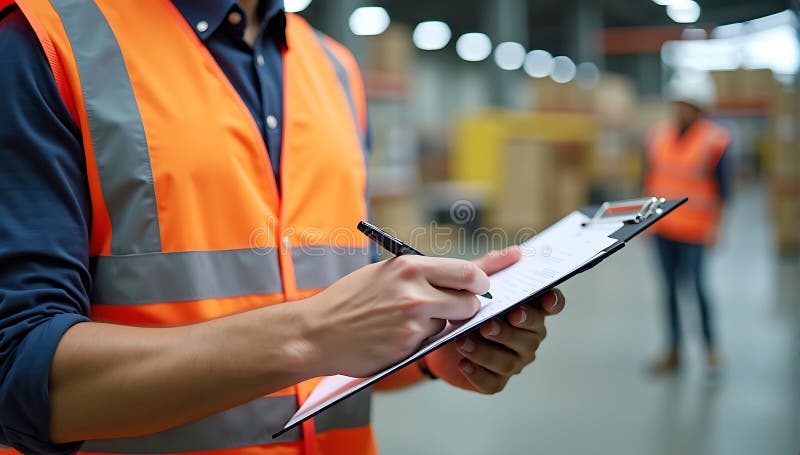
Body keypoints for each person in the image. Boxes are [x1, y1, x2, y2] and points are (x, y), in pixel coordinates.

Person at [0, 1, 565, 453]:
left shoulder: (334, 67)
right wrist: (310, 334)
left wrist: (431, 345)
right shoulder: (43, 43)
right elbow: (17, 372)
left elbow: (323, 301)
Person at [643, 71, 731, 374]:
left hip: (695, 230)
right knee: (668, 290)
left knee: (696, 288)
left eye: (687, 104)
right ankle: (673, 351)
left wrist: (716, 228)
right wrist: (644, 224)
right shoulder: (657, 136)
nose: (680, 109)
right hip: (662, 229)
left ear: (701, 108)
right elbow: (650, 180)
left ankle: (710, 349)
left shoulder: (715, 140)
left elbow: (723, 191)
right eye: (677, 103)